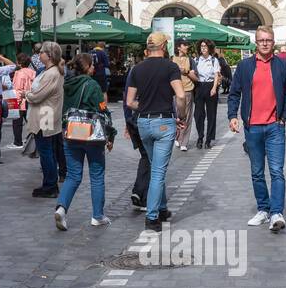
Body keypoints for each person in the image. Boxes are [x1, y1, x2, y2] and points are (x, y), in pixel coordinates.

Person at [228, 25, 286, 232]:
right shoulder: (245, 66)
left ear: (273, 42)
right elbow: (234, 93)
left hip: (275, 126)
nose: (265, 43)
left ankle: (276, 212)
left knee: (276, 171)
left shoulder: (282, 65)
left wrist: (283, 116)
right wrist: (232, 116)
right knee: (257, 172)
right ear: (256, 43)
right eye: (261, 40)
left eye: (268, 40)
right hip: (253, 127)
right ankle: (263, 209)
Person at [125, 32, 187, 232]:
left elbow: (129, 102)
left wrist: (143, 107)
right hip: (163, 123)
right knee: (158, 171)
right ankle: (152, 218)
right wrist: (182, 116)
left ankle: (161, 208)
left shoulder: (137, 69)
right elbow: (180, 95)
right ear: (164, 46)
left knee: (154, 166)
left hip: (143, 123)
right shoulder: (170, 67)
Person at [53, 53, 115, 230]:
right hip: (91, 133)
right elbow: (102, 110)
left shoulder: (67, 84)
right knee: (96, 175)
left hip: (72, 132)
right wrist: (111, 134)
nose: (94, 68)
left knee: (73, 175)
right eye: (92, 65)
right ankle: (97, 215)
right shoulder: (92, 85)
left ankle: (61, 208)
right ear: (87, 67)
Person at [26, 41, 66, 198]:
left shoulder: (52, 73)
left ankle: (50, 185)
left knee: (46, 152)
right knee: (48, 151)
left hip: (46, 114)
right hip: (47, 113)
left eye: (42, 52)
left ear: (49, 55)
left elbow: (37, 96)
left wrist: (26, 95)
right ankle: (49, 183)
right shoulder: (51, 71)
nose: (39, 54)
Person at [190, 39, 222, 149]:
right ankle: (200, 137)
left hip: (210, 86)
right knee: (198, 114)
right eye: (202, 46)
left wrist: (214, 88)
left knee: (211, 114)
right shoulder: (196, 60)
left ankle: (208, 139)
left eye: (205, 46)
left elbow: (216, 75)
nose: (203, 48)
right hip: (199, 86)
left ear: (209, 48)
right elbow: (193, 74)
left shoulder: (214, 60)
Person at [171, 39, 195, 152]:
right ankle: (177, 136)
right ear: (178, 47)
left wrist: (186, 71)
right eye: (184, 45)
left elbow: (194, 73)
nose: (187, 47)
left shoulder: (189, 59)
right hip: (175, 90)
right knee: (177, 115)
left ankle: (184, 141)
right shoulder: (172, 59)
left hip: (187, 89)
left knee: (187, 115)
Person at [10, 51, 36, 149]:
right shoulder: (33, 72)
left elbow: (18, 89)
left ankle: (18, 142)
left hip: (20, 101)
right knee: (31, 121)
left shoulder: (18, 73)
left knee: (17, 123)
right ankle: (33, 140)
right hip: (31, 99)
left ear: (19, 62)